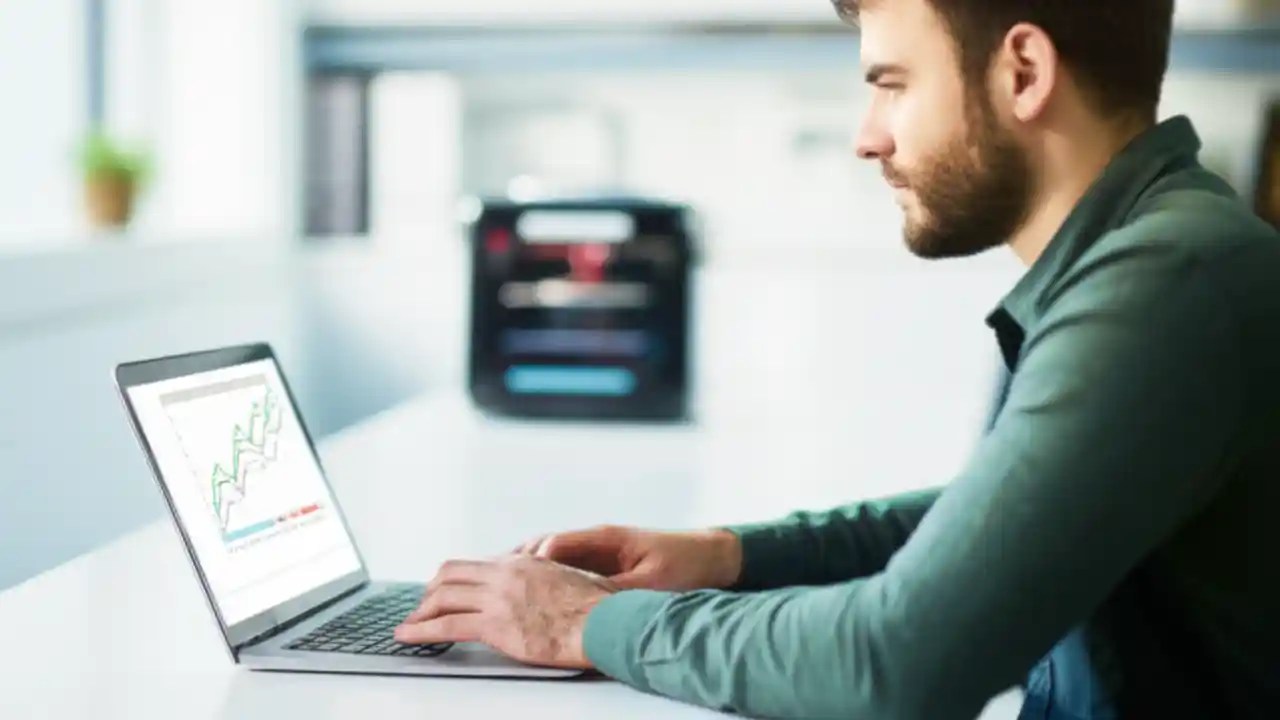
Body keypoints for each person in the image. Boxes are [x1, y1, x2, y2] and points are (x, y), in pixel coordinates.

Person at [395, 0, 1280, 717]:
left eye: (893, 85)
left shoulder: (1165, 281)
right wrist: (728, 557)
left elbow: (896, 664)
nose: (868, 136)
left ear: (1024, 73)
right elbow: (1017, 521)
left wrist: (588, 624)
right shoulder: (1148, 258)